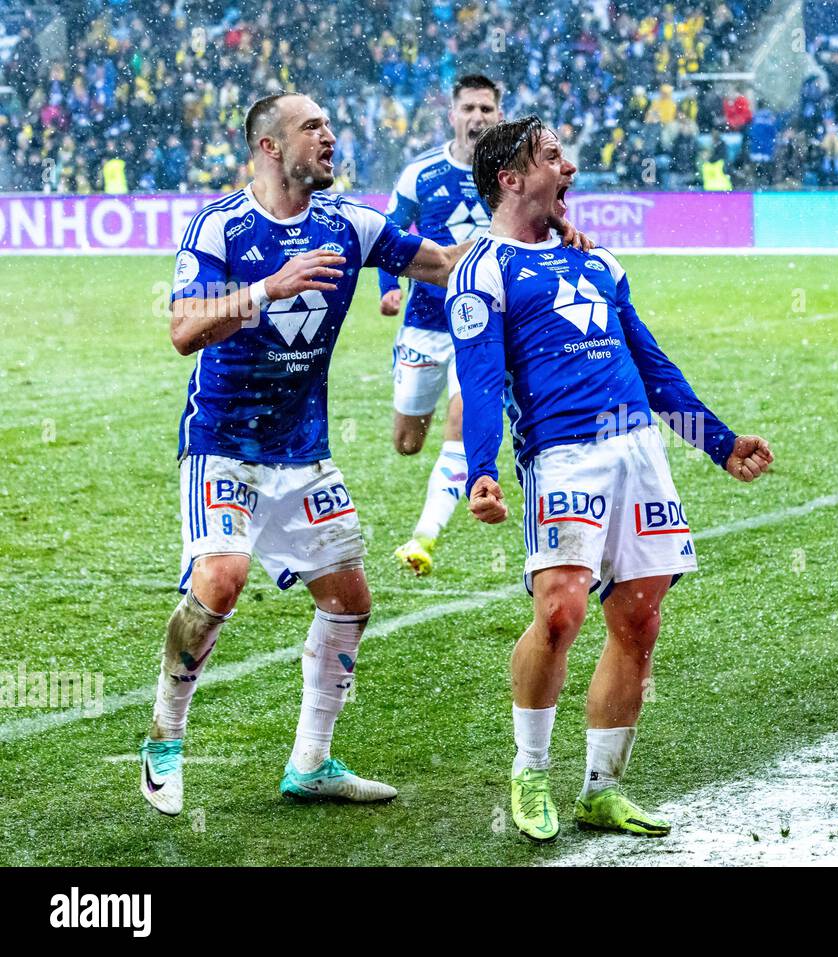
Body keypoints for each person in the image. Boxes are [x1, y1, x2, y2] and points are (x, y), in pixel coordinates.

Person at [141, 93, 588, 817]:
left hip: (304, 452)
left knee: (350, 602)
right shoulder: (221, 226)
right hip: (223, 444)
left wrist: (528, 235)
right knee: (220, 579)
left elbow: (441, 263)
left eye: (330, 122)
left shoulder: (349, 223)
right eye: (312, 127)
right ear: (267, 147)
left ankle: (311, 762)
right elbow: (184, 329)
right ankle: (164, 737)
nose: (329, 134)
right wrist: (266, 288)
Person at [447, 116, 774, 842]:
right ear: (510, 178)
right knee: (560, 612)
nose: (570, 168)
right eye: (553, 157)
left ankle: (601, 788)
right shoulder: (481, 270)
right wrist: (482, 471)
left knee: (638, 620)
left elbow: (653, 366)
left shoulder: (599, 263)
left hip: (640, 453)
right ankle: (530, 771)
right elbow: (478, 376)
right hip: (564, 454)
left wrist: (718, 442)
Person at [380, 75, 503, 577]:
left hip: (479, 324)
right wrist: (388, 285)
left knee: (460, 423)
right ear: (452, 115)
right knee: (408, 443)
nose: (478, 117)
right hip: (423, 323)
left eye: (487, 109)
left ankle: (423, 538)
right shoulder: (421, 174)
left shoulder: (508, 174)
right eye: (469, 108)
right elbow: (389, 233)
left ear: (499, 115)